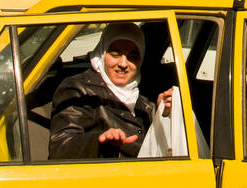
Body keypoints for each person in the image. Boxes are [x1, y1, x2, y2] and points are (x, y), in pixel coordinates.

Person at [48, 23, 172, 159]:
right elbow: (59, 148)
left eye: (132, 57)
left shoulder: (145, 97)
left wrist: (162, 114)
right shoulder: (78, 89)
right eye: (115, 54)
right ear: (102, 53)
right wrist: (99, 141)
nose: (123, 64)